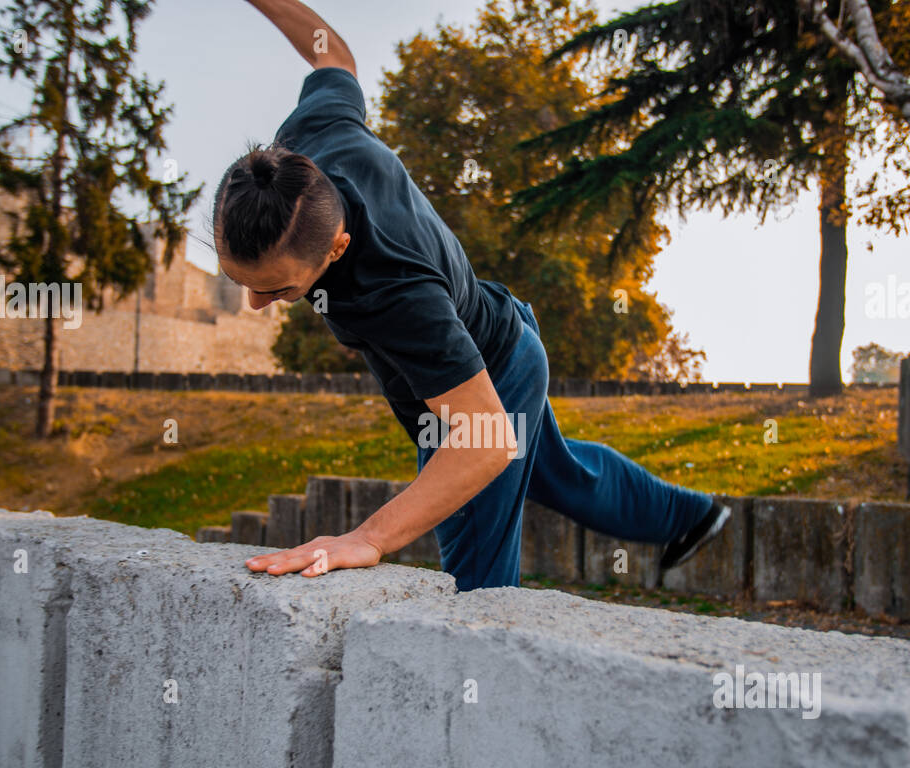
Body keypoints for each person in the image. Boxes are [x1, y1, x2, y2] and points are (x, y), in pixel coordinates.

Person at [227, 0, 730, 591]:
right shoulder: (308, 142)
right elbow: (330, 51)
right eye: (240, 280)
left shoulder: (395, 291)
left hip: (490, 378)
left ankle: (478, 679)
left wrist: (366, 538)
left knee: (473, 590)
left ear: (338, 247)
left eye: (276, 289)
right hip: (506, 331)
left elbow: (484, 442)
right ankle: (691, 514)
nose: (256, 305)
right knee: (558, 476)